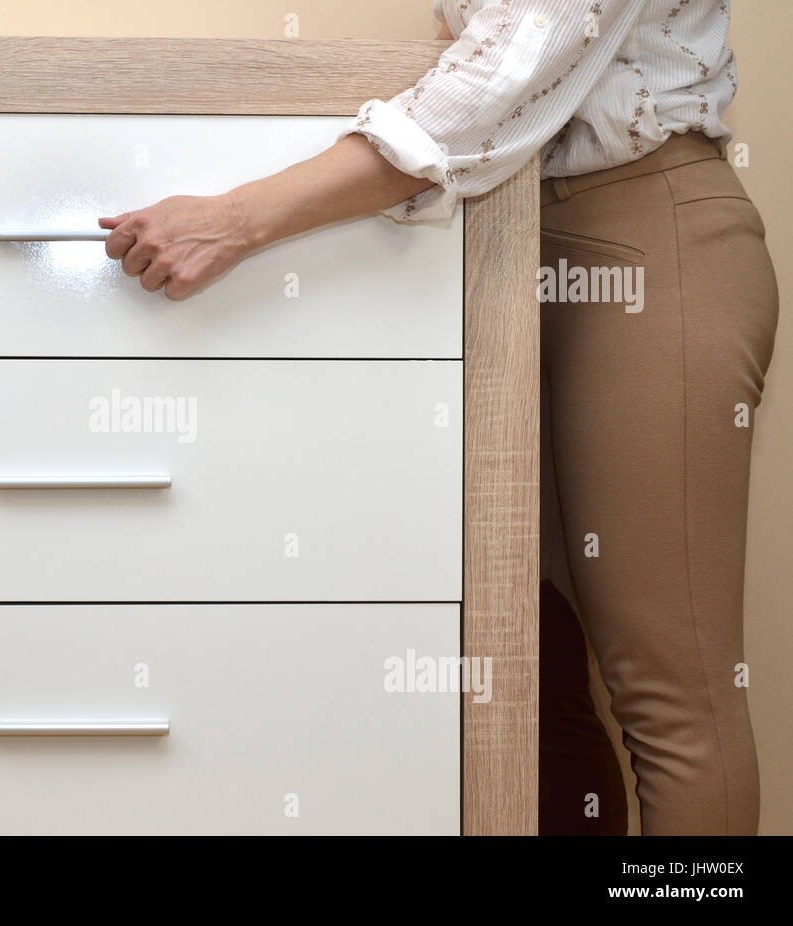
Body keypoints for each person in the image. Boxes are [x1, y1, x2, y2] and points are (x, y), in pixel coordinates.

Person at [100, 0, 778, 836]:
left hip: (644, 228)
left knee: (673, 697)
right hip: (502, 237)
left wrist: (239, 217)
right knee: (537, 674)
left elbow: (505, 74)